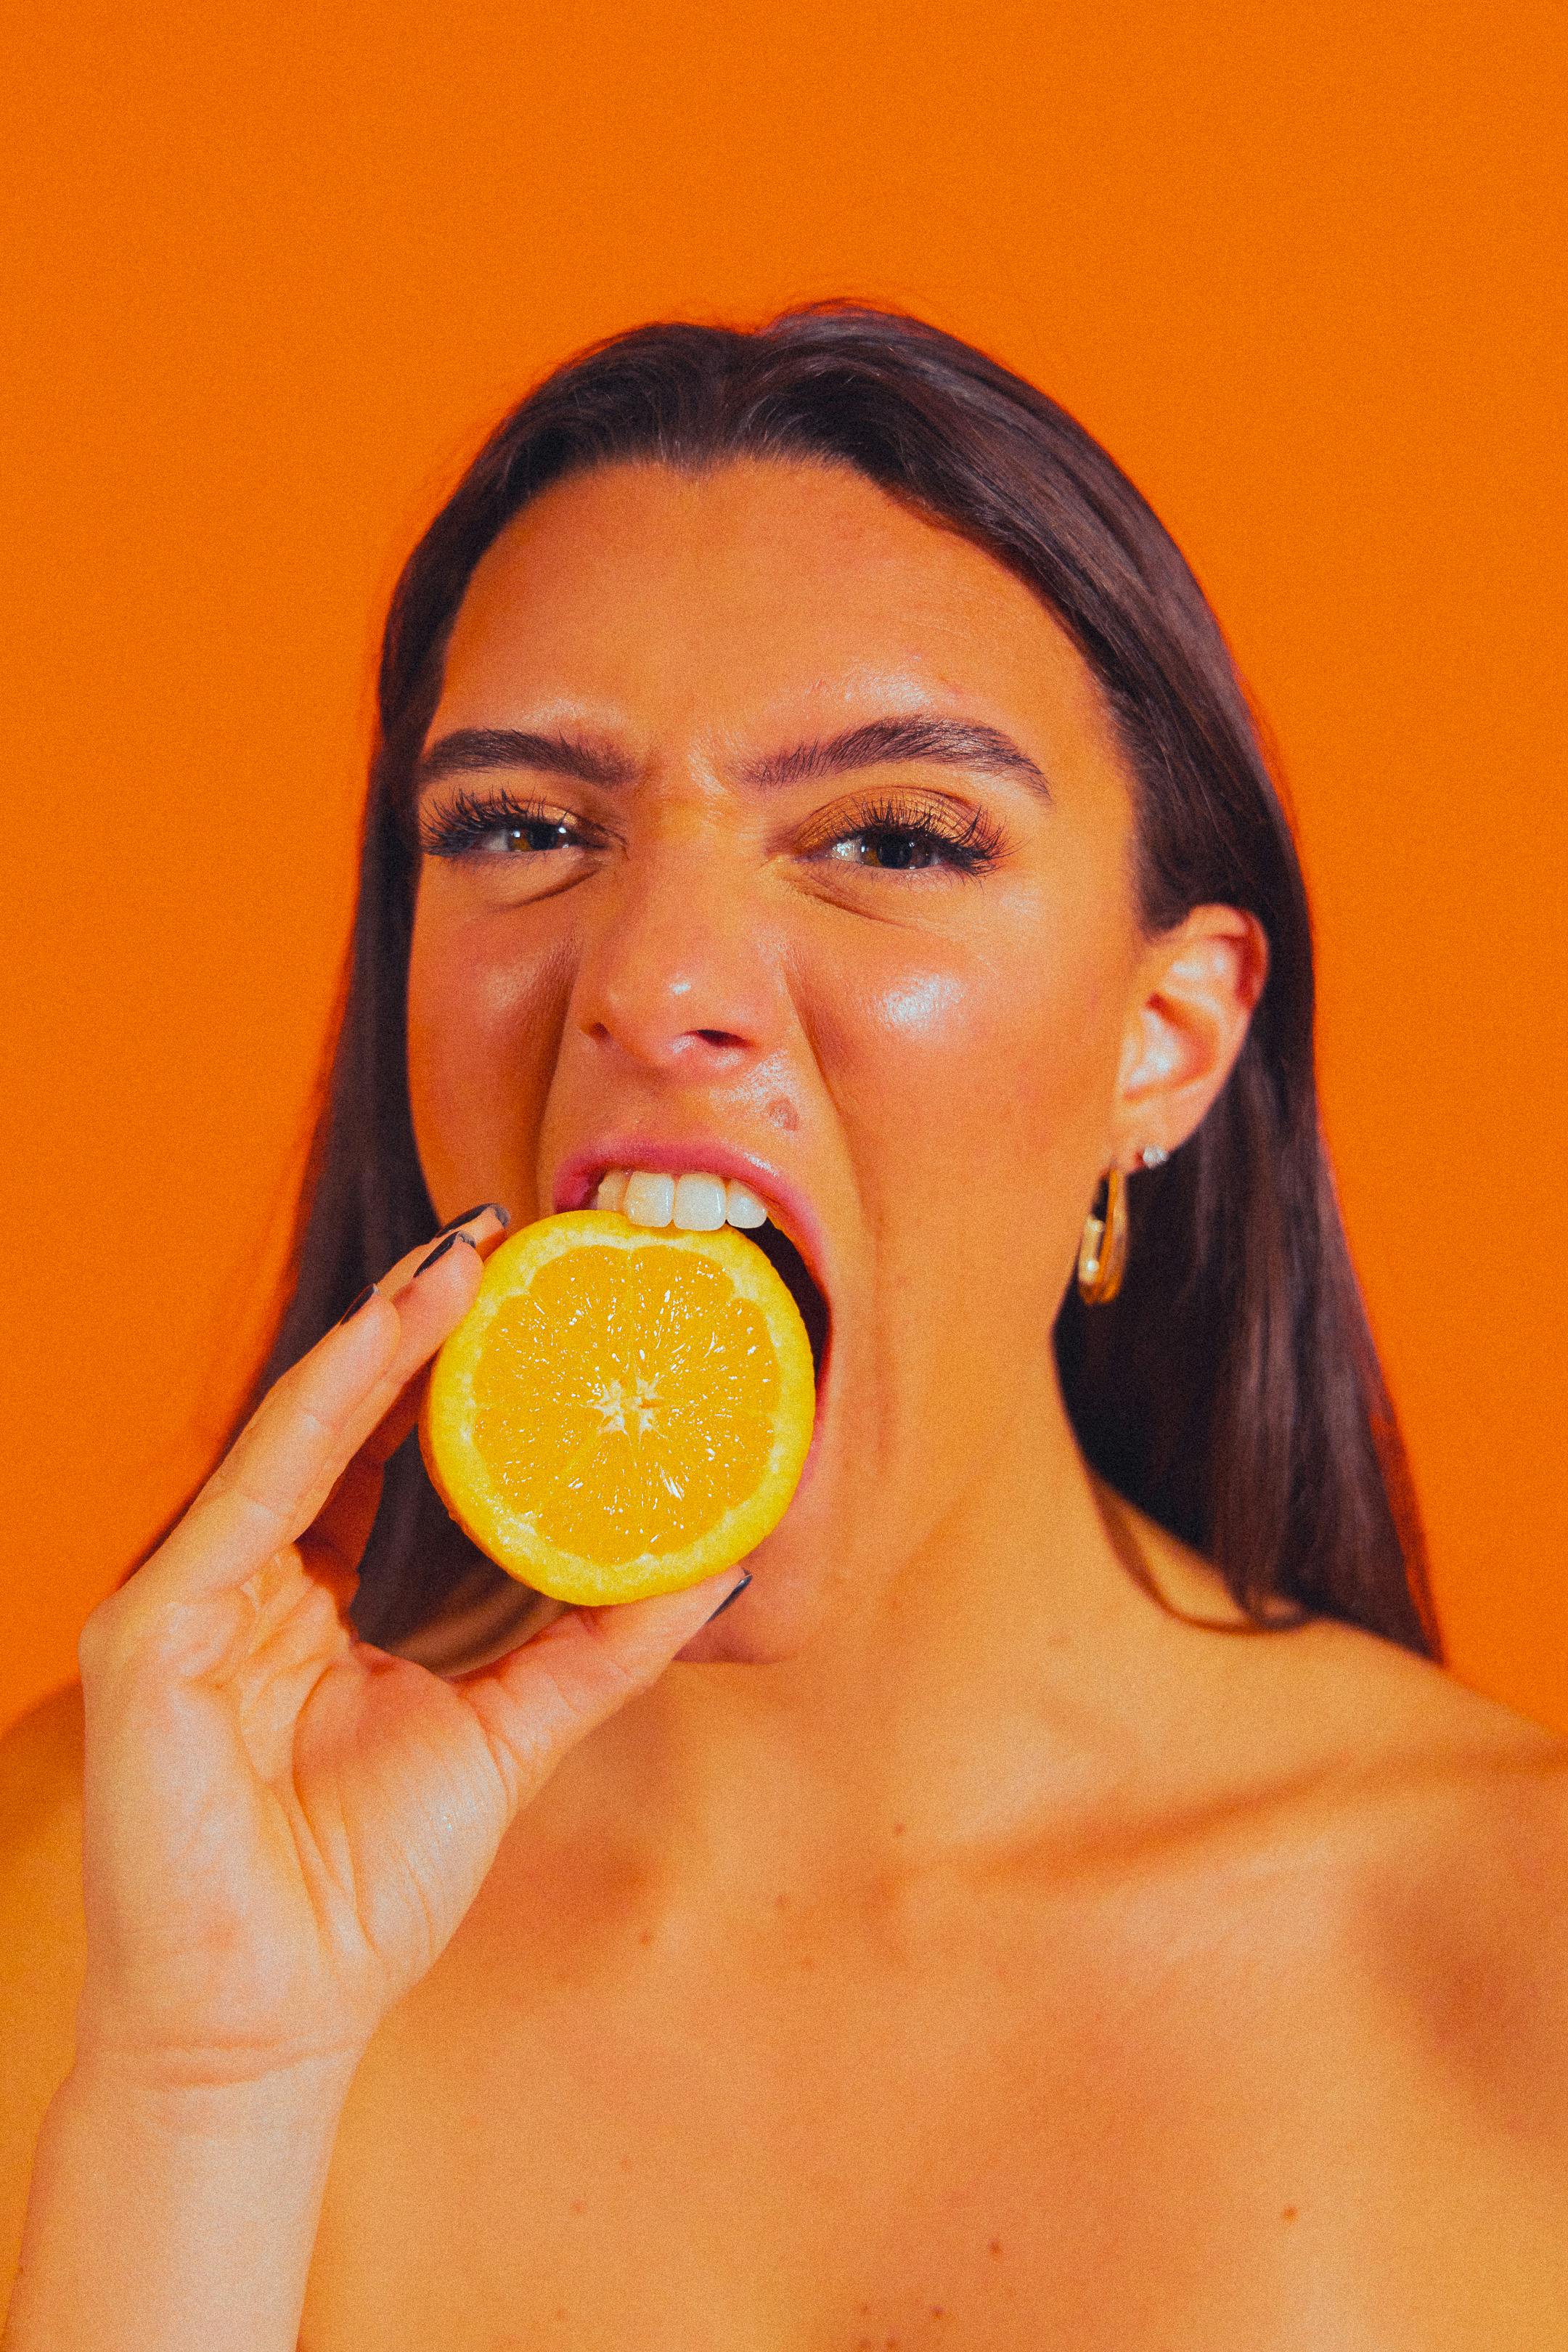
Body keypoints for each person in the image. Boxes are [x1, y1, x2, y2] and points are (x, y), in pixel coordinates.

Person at [3, 304, 1565, 2351]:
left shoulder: (1512, 1960)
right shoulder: (101, 1910)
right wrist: (210, 2087)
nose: (652, 980)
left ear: (1164, 1042)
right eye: (524, 827)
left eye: (896, 838)